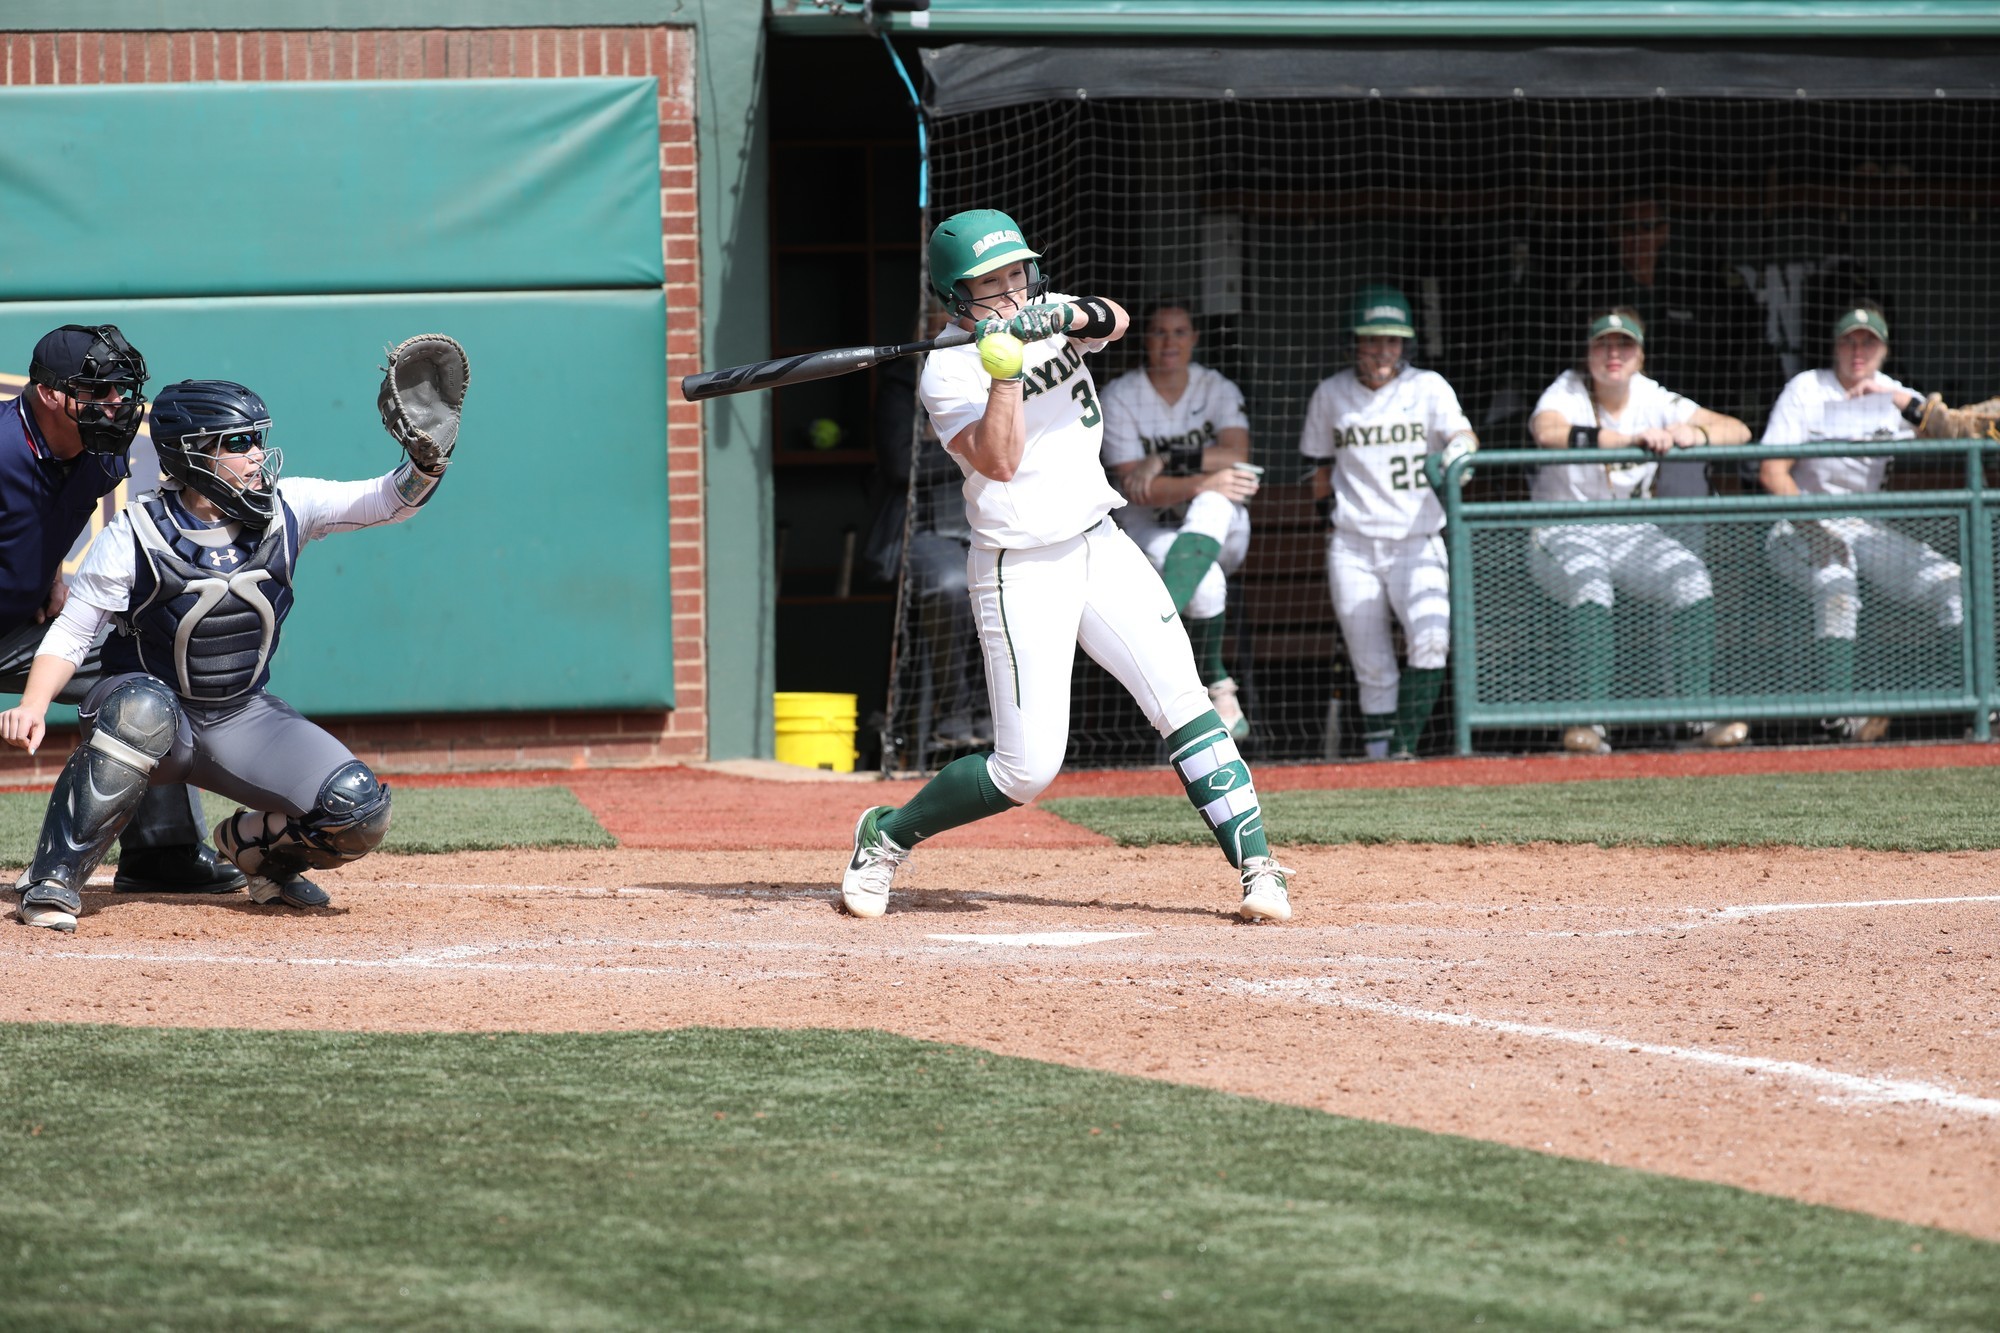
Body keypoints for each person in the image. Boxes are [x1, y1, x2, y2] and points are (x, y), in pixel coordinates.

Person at [839, 208, 1294, 923]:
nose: (1011, 292)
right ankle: (885, 835)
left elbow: (1112, 320)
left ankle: (1258, 867)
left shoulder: (1043, 312)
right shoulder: (947, 373)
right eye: (990, 283)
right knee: (1026, 770)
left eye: (1017, 274)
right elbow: (1000, 459)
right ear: (955, 296)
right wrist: (1003, 373)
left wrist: (1063, 314)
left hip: (1100, 543)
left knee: (1183, 699)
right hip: (1019, 568)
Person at [1, 364, 459, 932]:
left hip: (240, 714)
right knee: (144, 709)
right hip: (148, 713)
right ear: (193, 454)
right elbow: (72, 632)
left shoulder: (289, 504)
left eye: (258, 440)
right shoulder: (136, 531)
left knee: (357, 808)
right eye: (238, 443)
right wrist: (35, 705)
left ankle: (255, 852)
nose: (256, 455)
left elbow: (386, 500)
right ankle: (53, 876)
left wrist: (426, 464)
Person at [0, 324, 243, 896]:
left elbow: (46, 517)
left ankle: (165, 850)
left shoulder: (100, 453)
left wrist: (48, 577)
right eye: (99, 392)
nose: (116, 405)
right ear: (51, 394)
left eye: (120, 390)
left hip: (19, 627)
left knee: (142, 675)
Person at [1526, 308, 1752, 755]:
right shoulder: (1569, 389)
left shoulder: (1652, 395)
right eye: (1604, 345)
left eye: (1624, 345)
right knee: (1591, 581)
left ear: (1640, 355)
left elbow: (1738, 430)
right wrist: (1628, 440)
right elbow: (1545, 430)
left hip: (1630, 533)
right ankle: (1586, 723)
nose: (1614, 354)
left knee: (1691, 578)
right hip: (1562, 530)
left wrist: (1693, 434)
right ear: (1588, 353)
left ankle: (1696, 715)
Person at [1759, 303, 1963, 743]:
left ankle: (1964, 706)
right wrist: (1815, 530)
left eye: (1868, 341)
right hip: (1799, 520)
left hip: (1866, 528)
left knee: (1953, 583)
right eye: (1849, 340)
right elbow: (1772, 471)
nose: (1857, 350)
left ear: (1884, 349)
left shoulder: (1892, 392)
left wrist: (1898, 401)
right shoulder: (1807, 389)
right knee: (1838, 582)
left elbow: (1950, 431)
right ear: (1835, 345)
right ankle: (1839, 716)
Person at [1298, 285, 1477, 760]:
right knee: (1372, 663)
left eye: (1393, 340)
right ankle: (1381, 762)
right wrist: (1332, 523)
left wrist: (1460, 449)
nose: (1382, 350)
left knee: (1432, 639)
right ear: (1353, 342)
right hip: (1354, 544)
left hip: (1417, 540)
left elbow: (1462, 433)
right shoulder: (1331, 393)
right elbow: (1317, 469)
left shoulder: (1428, 387)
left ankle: (1403, 747)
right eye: (1372, 339)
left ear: (1406, 345)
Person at [1097, 303, 1258, 741]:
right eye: (1159, 333)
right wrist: (1205, 479)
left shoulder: (1215, 387)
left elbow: (1238, 456)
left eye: (1180, 332)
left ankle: (1159, 639)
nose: (1170, 342)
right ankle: (1219, 686)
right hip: (1151, 527)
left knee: (1219, 500)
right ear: (1145, 339)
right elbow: (1135, 487)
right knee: (1206, 582)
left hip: (1222, 533)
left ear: (1194, 339)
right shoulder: (1120, 394)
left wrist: (1166, 459)